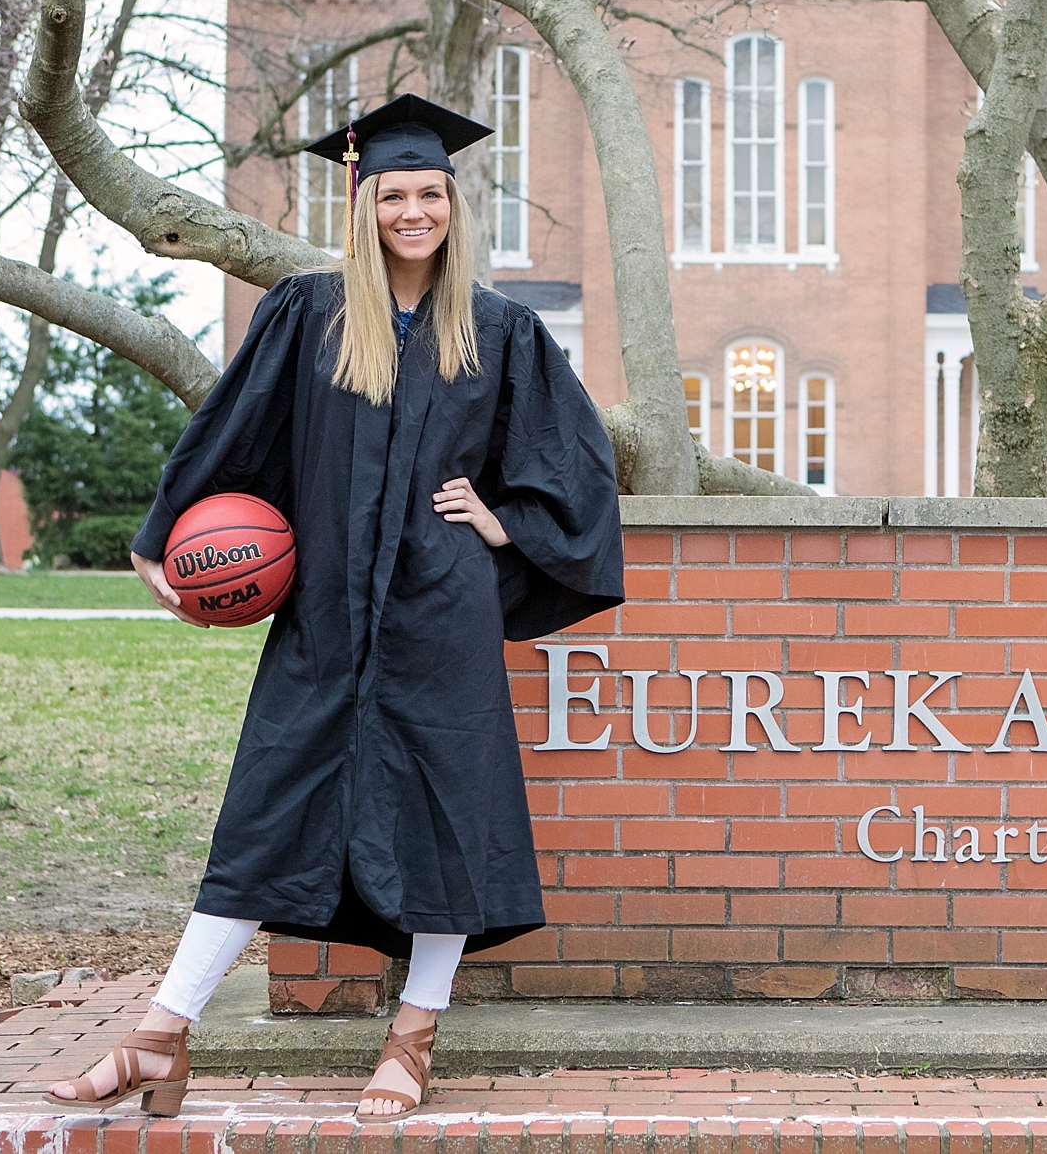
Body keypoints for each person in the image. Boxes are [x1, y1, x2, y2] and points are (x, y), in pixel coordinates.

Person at [46, 94, 623, 1123]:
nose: (413, 212)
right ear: (364, 204)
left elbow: (571, 467)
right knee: (268, 806)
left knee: (447, 814)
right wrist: (161, 532)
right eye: (393, 195)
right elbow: (234, 429)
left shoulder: (500, 330)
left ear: (453, 203)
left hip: (440, 611)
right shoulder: (308, 313)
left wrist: (504, 526)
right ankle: (160, 1033)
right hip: (324, 608)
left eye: (430, 194)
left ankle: (412, 1039)